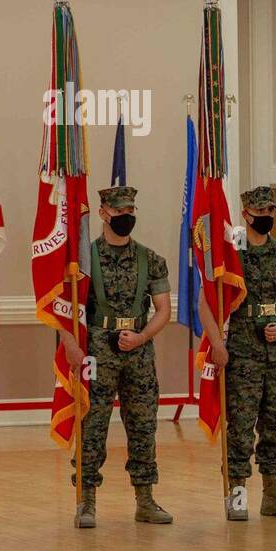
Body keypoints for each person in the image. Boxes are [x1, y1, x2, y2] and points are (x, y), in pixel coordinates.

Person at [62, 186, 172, 528]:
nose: (126, 215)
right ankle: (86, 500)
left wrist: (141, 336)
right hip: (96, 350)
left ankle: (145, 499)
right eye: (119, 209)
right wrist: (71, 345)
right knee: (92, 425)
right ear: (103, 213)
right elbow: (65, 308)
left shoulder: (151, 260)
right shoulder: (82, 260)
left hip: (138, 352)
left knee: (143, 426)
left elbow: (163, 310)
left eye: (131, 209)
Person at [199, 186, 276, 522]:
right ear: (245, 214)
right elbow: (205, 300)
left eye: (270, 212)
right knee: (241, 424)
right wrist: (217, 343)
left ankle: (274, 493)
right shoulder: (230, 252)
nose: (266, 218)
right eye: (259, 213)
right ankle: (238, 495)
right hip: (242, 349)